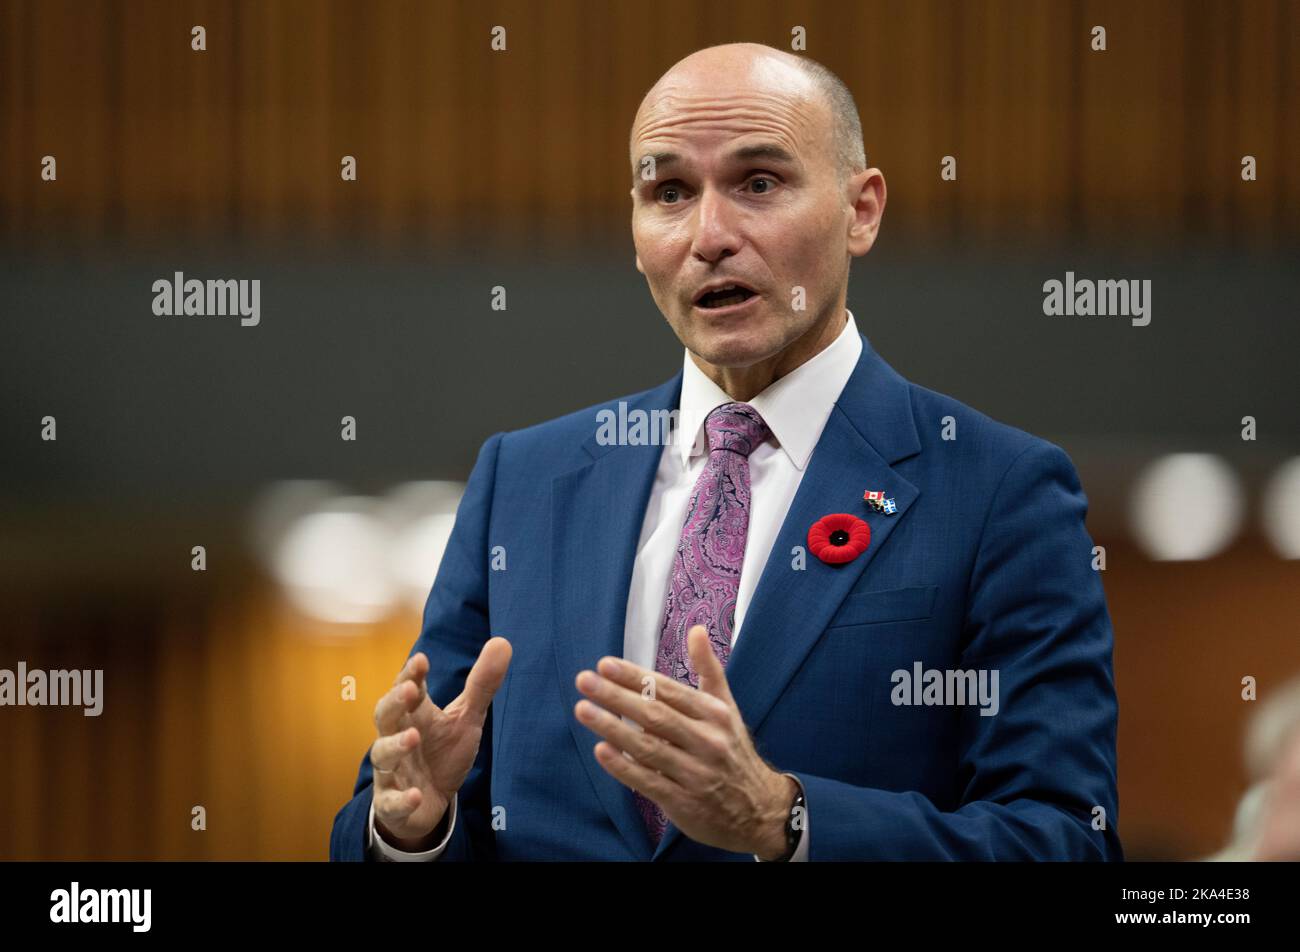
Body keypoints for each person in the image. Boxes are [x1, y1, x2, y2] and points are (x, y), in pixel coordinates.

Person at [329, 42, 1122, 861]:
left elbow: (1065, 839)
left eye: (759, 183)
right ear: (636, 236)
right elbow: (401, 804)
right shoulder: (524, 482)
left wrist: (786, 821)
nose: (710, 234)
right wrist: (408, 829)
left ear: (862, 211)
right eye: (668, 192)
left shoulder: (999, 492)